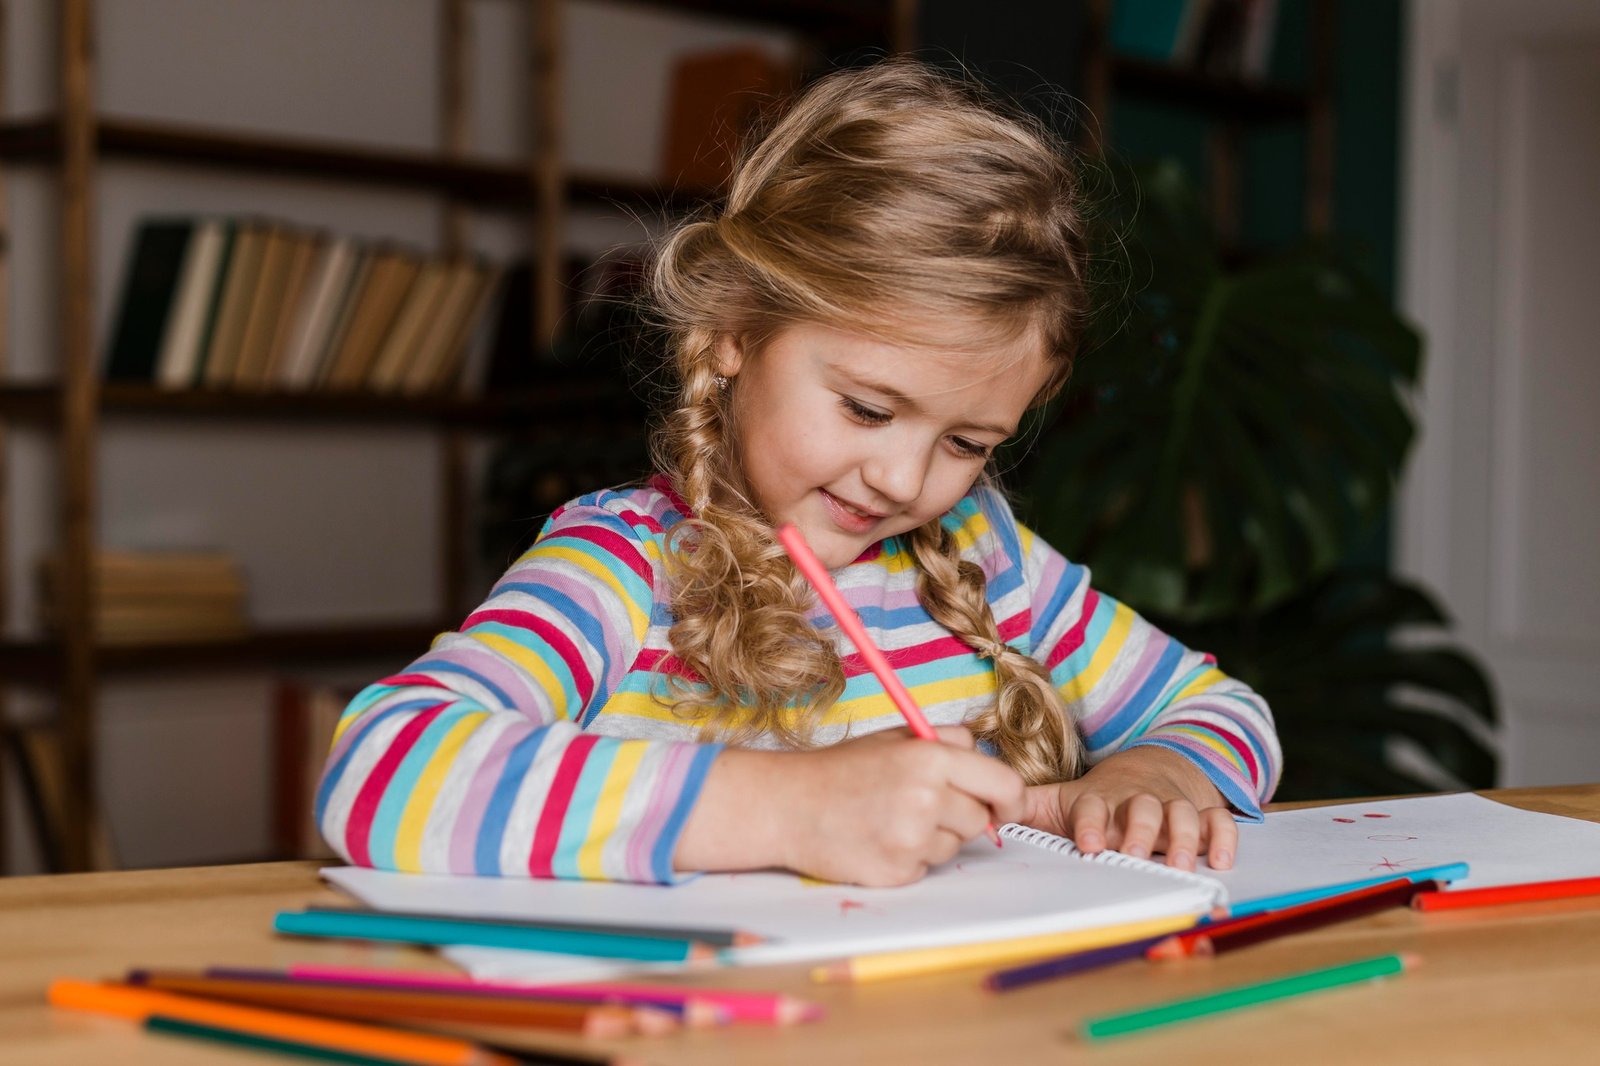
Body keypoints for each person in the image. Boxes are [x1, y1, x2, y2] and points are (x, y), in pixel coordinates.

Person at [316, 58, 1280, 887]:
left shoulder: (991, 559)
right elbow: (380, 771)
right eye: (867, 408)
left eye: (968, 443)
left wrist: (1157, 773)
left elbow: (1220, 710)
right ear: (735, 331)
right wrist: (787, 809)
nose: (905, 480)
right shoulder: (624, 567)